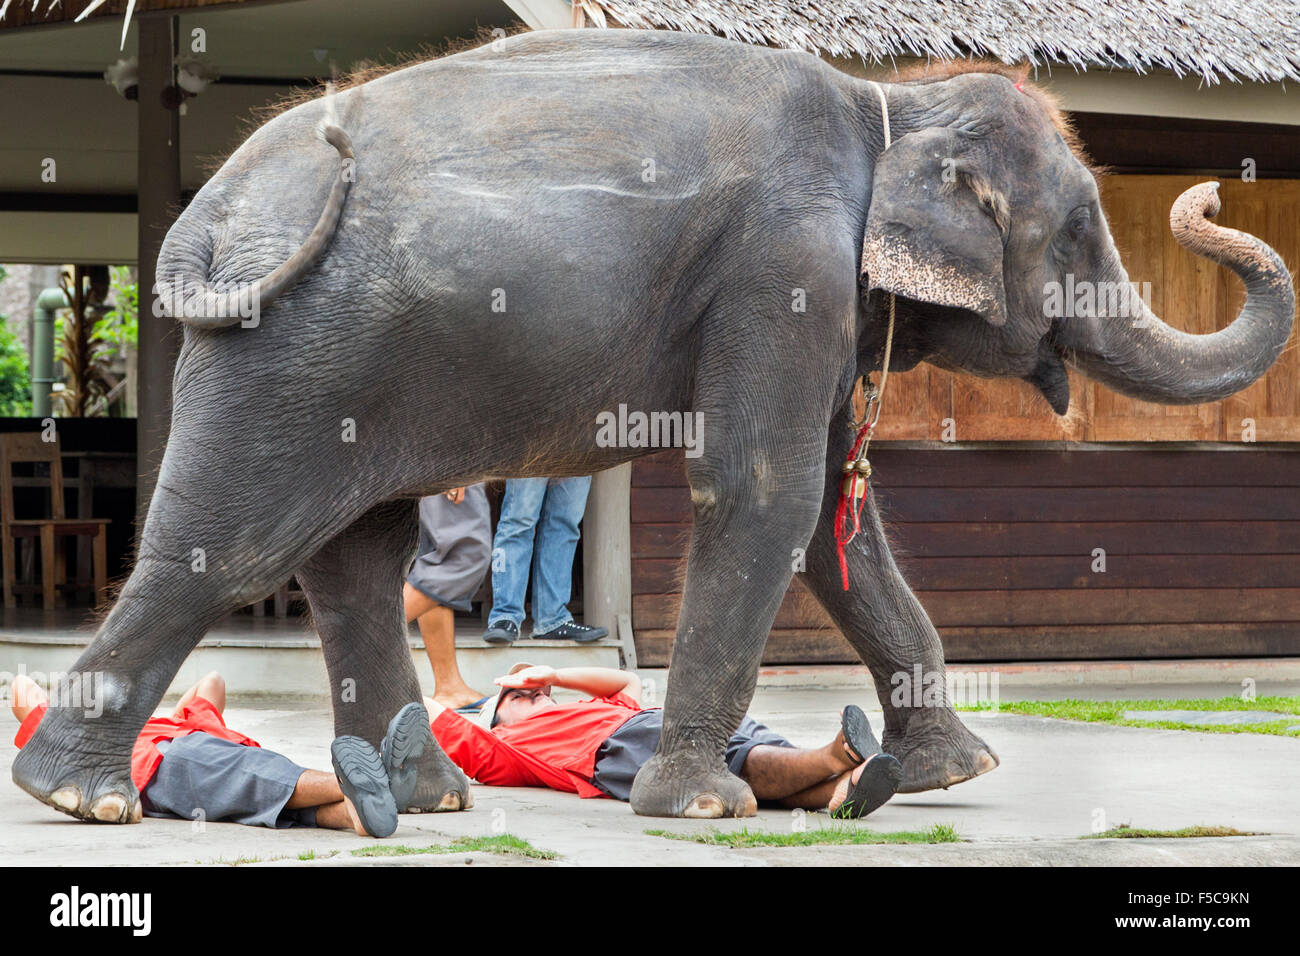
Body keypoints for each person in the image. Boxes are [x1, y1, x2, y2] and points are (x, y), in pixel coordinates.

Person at [426, 663, 902, 817]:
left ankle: (844, 789)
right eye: (518, 695)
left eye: (538, 688)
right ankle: (839, 753)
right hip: (620, 750)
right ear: (496, 720)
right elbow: (433, 714)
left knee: (752, 744)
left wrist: (555, 673)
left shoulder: (599, 705)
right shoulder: (508, 749)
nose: (536, 691)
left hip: (668, 718)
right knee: (735, 762)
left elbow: (625, 681)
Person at [10, 672, 430, 837]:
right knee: (262, 776)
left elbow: (211, 681)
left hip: (193, 767)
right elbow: (21, 691)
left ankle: (366, 811)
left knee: (288, 806)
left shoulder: (185, 720)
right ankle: (370, 775)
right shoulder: (82, 739)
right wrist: (69, 709)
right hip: (173, 762)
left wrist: (175, 713)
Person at [481, 477, 607, 645]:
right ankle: (505, 616)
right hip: (532, 450)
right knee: (519, 520)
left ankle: (552, 620)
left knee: (564, 526)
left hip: (580, 451)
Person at [404, 484, 493, 710]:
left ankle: (449, 687)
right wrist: (455, 467)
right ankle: (357, 640)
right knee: (464, 555)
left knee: (436, 563)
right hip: (449, 453)